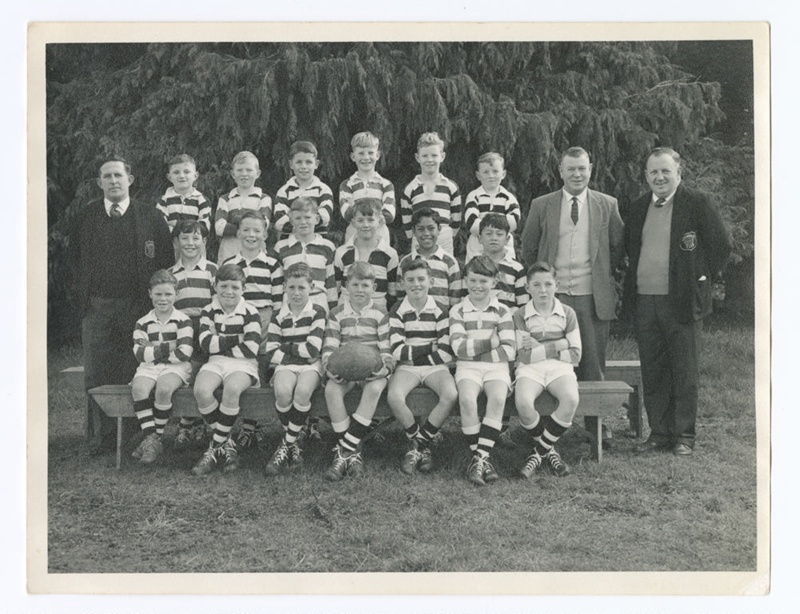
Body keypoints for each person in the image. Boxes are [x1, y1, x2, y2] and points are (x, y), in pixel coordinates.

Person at [623, 147, 731, 456]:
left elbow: (720, 247)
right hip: (645, 300)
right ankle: (659, 433)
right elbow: (633, 249)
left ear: (678, 173)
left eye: (665, 171)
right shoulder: (638, 206)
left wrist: (698, 277)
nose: (659, 177)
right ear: (646, 176)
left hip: (682, 301)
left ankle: (684, 436)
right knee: (654, 370)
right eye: (653, 172)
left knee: (684, 371)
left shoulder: (697, 203)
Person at [68, 157, 173, 455]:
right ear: (99, 182)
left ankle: (135, 435)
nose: (114, 181)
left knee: (134, 369)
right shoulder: (85, 218)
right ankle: (99, 438)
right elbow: (73, 262)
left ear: (130, 179)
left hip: (137, 308)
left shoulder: (150, 218)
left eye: (118, 175)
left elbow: (163, 261)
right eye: (107, 176)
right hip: (97, 307)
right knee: (97, 373)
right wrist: (85, 300)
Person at [521, 146, 624, 445]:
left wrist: (600, 274)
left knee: (592, 363)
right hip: (551, 299)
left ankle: (597, 427)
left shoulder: (607, 204)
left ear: (590, 168)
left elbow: (616, 248)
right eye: (571, 169)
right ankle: (538, 428)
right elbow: (530, 248)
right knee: (545, 361)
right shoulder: (543, 205)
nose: (577, 174)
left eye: (582, 168)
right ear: (560, 171)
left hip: (591, 297)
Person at [321, 262, 394, 481]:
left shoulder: (381, 314)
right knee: (331, 391)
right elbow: (330, 347)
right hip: (345, 369)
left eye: (365, 285)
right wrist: (329, 368)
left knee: (374, 390)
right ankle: (352, 452)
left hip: (373, 369)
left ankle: (344, 451)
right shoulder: (336, 314)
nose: (360, 289)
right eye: (355, 284)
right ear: (345, 287)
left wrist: (384, 369)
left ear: (374, 287)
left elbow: (387, 349)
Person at [387, 258, 457, 475]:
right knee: (394, 396)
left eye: (421, 279)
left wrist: (413, 355)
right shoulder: (397, 309)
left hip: (435, 367)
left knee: (450, 394)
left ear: (431, 281)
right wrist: (429, 347)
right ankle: (422, 445)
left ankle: (419, 445)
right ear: (402, 284)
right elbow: (397, 351)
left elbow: (445, 352)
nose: (416, 284)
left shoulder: (440, 310)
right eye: (410, 280)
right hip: (407, 369)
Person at [450, 256, 516, 486]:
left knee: (497, 398)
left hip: (496, 368)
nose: (478, 286)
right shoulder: (458, 311)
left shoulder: (502, 311)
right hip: (467, 368)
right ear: (465, 280)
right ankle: (483, 459)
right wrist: (490, 343)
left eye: (483, 281)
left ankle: (479, 459)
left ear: (494, 282)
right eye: (473, 280)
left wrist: (474, 349)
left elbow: (509, 351)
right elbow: (458, 348)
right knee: (467, 400)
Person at [513, 262, 582, 479]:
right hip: (529, 369)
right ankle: (550, 451)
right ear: (527, 287)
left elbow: (576, 354)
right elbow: (524, 356)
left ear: (556, 285)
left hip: (559, 368)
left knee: (570, 399)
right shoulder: (520, 314)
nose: (543, 290)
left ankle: (538, 453)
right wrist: (557, 345)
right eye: (536, 285)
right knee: (523, 402)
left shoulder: (567, 313)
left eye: (548, 284)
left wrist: (539, 347)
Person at [191, 263, 262, 475]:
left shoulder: (250, 311)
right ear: (215, 286)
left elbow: (251, 348)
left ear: (243, 289)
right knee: (201, 391)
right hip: (215, 362)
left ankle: (214, 448)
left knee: (232, 389)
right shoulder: (208, 310)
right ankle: (227, 443)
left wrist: (220, 341)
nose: (229, 292)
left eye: (234, 287)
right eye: (224, 286)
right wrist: (237, 339)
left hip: (244, 365)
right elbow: (205, 344)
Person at [222, 210, 283, 449]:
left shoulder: (272, 264)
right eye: (246, 230)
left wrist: (273, 326)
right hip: (239, 319)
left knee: (260, 367)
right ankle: (247, 427)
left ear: (265, 234)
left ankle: (252, 425)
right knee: (243, 367)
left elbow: (278, 302)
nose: (251, 234)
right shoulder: (229, 264)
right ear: (237, 233)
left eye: (257, 230)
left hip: (265, 317)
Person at [263, 263, 327, 476]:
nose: (296, 293)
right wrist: (296, 353)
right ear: (285, 289)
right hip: (287, 366)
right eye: (291, 288)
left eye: (302, 288)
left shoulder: (317, 312)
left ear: (312, 287)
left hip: (311, 367)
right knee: (282, 392)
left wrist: (286, 347)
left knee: (301, 392)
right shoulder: (279, 315)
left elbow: (313, 349)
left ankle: (286, 445)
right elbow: (271, 352)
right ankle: (294, 441)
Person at [130, 270, 194, 465]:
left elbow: (184, 353)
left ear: (176, 294)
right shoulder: (142, 322)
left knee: (164, 389)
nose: (163, 299)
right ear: (150, 293)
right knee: (139, 388)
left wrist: (154, 350)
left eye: (168, 294)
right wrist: (170, 346)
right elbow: (140, 354)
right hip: (149, 367)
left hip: (177, 367)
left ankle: (151, 439)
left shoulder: (183, 320)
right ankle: (154, 440)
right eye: (158, 294)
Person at [169, 220, 217, 450]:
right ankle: (186, 424)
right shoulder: (171, 274)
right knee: (185, 372)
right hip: (181, 330)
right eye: (185, 238)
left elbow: (219, 304)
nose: (190, 243)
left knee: (202, 374)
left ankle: (198, 424)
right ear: (176, 242)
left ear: (204, 241)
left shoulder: (212, 270)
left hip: (206, 328)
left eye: (196, 238)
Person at [400, 132, 461, 255]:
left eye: (434, 155)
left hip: (444, 240)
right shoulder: (410, 189)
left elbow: (456, 220)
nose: (430, 160)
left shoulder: (451, 187)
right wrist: (419, 235)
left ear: (442, 156)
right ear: (418, 158)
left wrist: (445, 234)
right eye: (425, 156)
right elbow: (407, 222)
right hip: (420, 239)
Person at [334, 198, 399, 312]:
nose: (365, 225)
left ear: (379, 221)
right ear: (353, 222)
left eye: (370, 220)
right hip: (346, 315)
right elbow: (336, 289)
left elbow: (392, 292)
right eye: (360, 220)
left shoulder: (390, 254)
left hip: (377, 316)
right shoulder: (341, 252)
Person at [274, 197, 338, 313]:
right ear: (291, 221)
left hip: (319, 301)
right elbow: (278, 282)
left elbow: (330, 282)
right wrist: (278, 309)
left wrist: (333, 310)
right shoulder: (281, 247)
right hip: (291, 302)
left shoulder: (327, 246)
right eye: (298, 218)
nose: (303, 222)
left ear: (317, 219)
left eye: (308, 217)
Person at [397, 207, 462, 311]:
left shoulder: (450, 262)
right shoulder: (405, 262)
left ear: (439, 229)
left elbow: (455, 300)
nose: (426, 233)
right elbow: (400, 298)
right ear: (413, 231)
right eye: (420, 229)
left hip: (442, 322)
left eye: (431, 228)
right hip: (412, 322)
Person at [338, 131, 395, 247]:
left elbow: (389, 213)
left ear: (377, 155)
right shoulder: (347, 185)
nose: (366, 157)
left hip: (380, 232)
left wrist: (373, 220)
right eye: (361, 153)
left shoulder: (385, 185)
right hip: (355, 232)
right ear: (353, 157)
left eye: (370, 153)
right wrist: (364, 220)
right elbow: (347, 213)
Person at [214, 151, 272, 264]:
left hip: (255, 250)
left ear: (258, 173)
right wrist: (249, 226)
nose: (244, 174)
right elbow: (219, 228)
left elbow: (263, 225)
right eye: (239, 170)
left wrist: (236, 220)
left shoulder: (263, 199)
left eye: (249, 170)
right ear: (232, 174)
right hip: (229, 251)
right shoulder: (225, 199)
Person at [463, 152, 520, 263]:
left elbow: (514, 221)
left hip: (503, 247)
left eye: (495, 171)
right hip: (478, 246)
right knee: (477, 273)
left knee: (505, 274)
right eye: (486, 172)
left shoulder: (508, 197)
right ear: (478, 175)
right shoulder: (474, 196)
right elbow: (471, 223)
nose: (491, 176)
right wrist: (490, 233)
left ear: (503, 174)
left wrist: (493, 230)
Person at [273, 141, 335, 239]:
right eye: (299, 162)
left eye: (308, 162)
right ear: (291, 164)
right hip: (290, 243)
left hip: (318, 242)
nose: (304, 167)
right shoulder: (284, 192)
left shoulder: (323, 190)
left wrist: (296, 220)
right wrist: (309, 221)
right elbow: (280, 222)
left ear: (316, 164)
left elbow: (325, 217)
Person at [477, 213, 529, 312]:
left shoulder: (517, 269)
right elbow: (465, 299)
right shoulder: (473, 266)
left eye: (499, 234)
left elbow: (523, 304)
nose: (494, 238)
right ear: (479, 238)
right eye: (488, 233)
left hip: (509, 322)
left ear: (507, 239)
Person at [155, 153, 211, 236]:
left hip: (194, 247)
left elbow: (204, 228)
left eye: (187, 172)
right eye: (176, 172)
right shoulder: (163, 201)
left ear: (195, 176)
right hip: (170, 246)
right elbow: (161, 228)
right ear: (169, 177)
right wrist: (192, 225)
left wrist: (176, 224)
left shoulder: (202, 201)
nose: (181, 176)